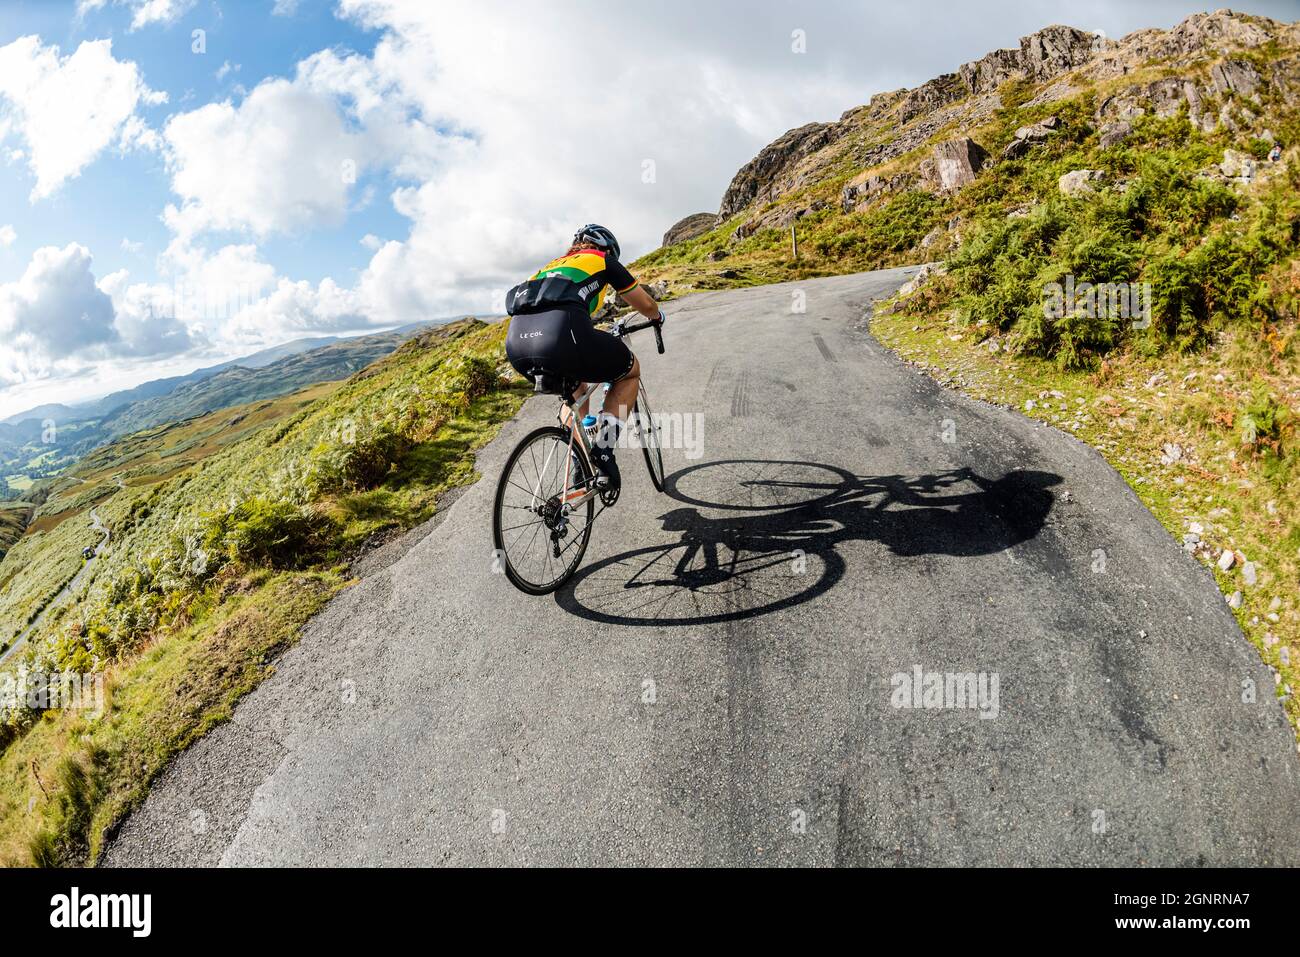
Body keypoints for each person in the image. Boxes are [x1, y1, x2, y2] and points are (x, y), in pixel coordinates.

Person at [504, 224, 665, 491]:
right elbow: (646, 305)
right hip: (562, 335)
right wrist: (657, 317)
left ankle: (578, 458)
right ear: (606, 248)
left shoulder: (547, 268)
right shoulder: (602, 260)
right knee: (630, 371)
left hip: (518, 346)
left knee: (575, 386)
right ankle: (602, 451)